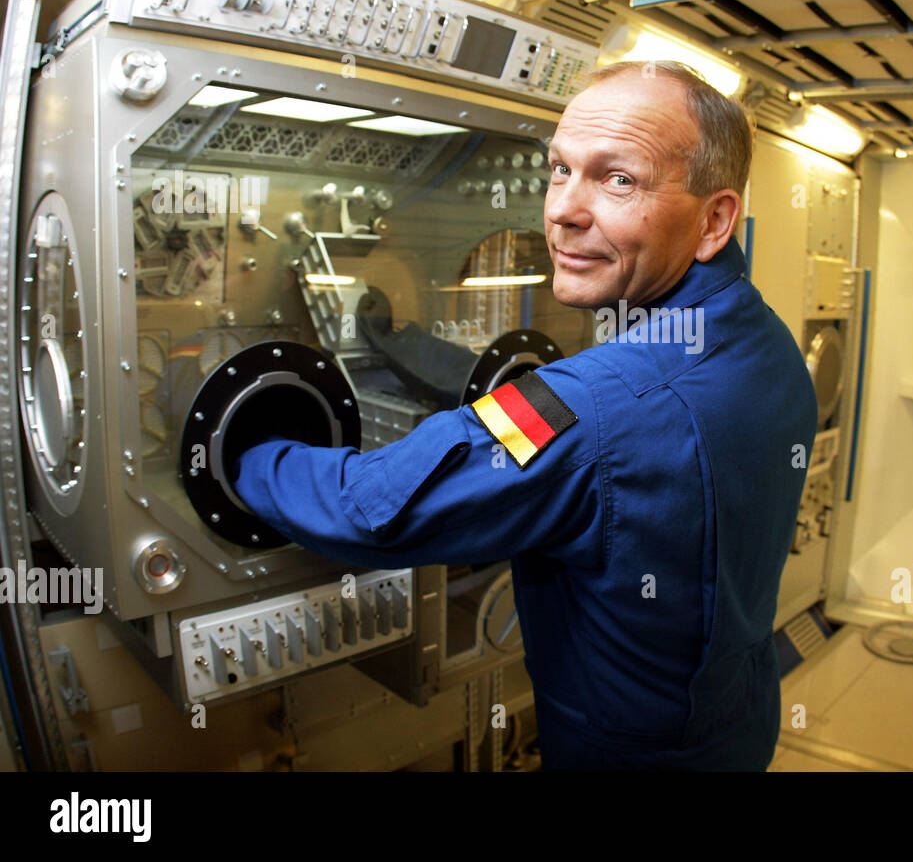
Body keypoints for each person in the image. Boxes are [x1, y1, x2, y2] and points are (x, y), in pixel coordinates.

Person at [232, 60, 819, 770]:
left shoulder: (593, 409)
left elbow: (373, 510)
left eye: (618, 179)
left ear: (714, 219)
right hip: (737, 723)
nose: (563, 210)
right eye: (559, 170)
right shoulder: (768, 342)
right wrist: (395, 337)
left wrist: (243, 450)